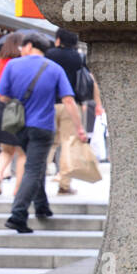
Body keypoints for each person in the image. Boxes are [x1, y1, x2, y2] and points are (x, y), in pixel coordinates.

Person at [0, 32, 88, 233]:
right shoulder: (54, 69)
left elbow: (2, 97)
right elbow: (68, 100)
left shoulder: (12, 66)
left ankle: (41, 206)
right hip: (43, 126)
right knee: (33, 168)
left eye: (22, 47)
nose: (21, 50)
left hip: (19, 126)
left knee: (35, 165)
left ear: (29, 46)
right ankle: (18, 215)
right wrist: (80, 128)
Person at [45, 27, 91, 195]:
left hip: (49, 104)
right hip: (71, 104)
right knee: (68, 144)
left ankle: (36, 181)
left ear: (58, 39)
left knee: (49, 143)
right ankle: (64, 184)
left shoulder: (48, 55)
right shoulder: (78, 58)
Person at [0, 31, 25, 196]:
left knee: (5, 149)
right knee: (21, 151)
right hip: (16, 107)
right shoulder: (19, 64)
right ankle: (18, 188)